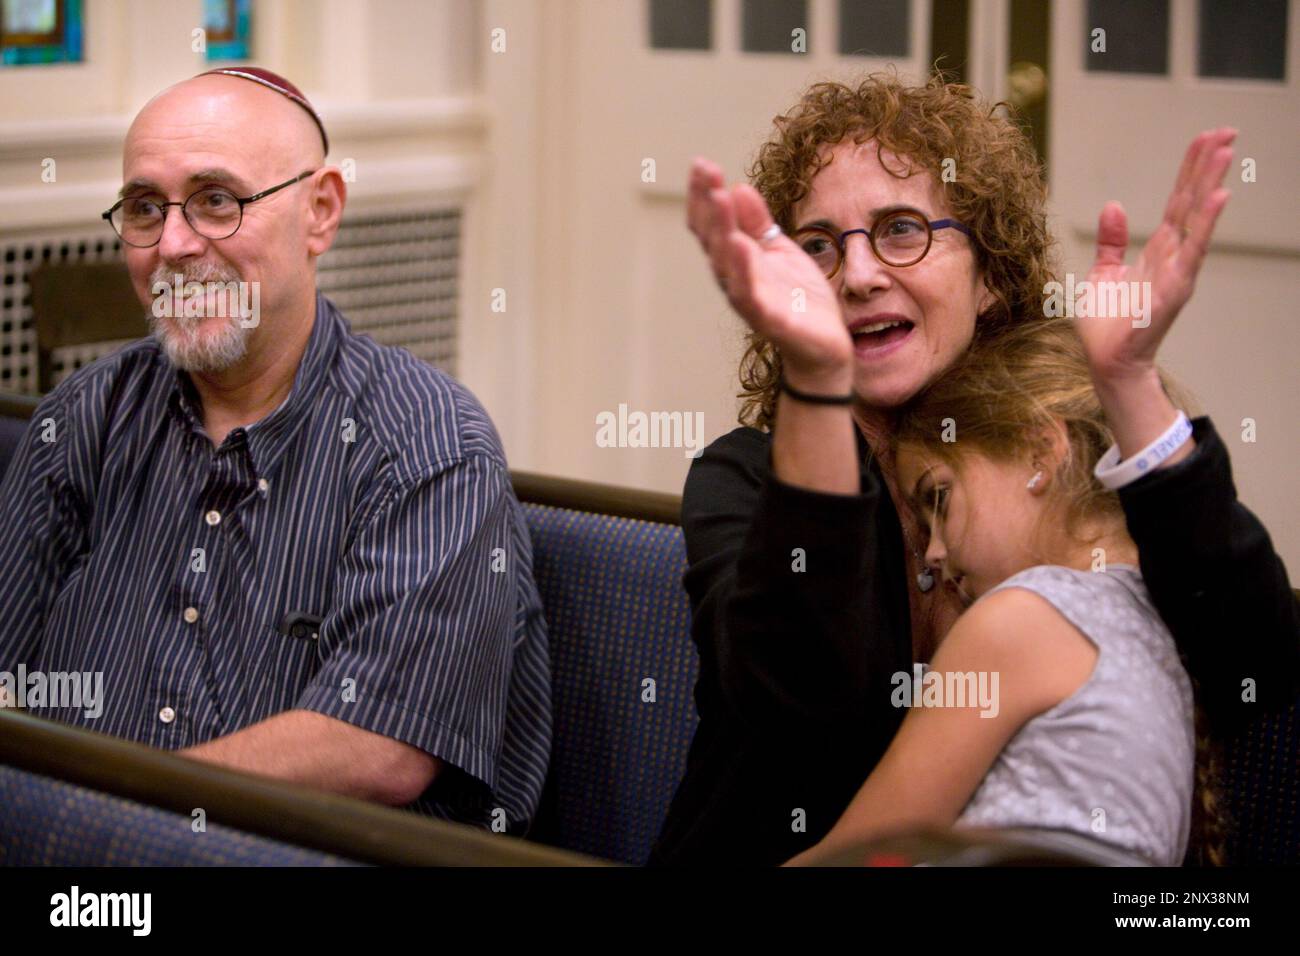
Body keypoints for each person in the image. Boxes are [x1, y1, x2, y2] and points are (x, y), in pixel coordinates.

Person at [649, 72, 1298, 866]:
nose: (856, 276)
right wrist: (814, 383)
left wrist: (1128, 385)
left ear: (989, 275)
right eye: (819, 245)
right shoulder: (747, 478)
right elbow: (796, 712)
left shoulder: (1051, 462)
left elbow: (1251, 662)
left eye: (901, 230)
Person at [0, 68, 551, 834]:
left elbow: (379, 750)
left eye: (217, 201)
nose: (174, 245)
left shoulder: (426, 442)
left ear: (319, 212)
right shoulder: (83, 420)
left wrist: (105, 821)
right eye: (144, 207)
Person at [786, 318, 1212, 867]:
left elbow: (854, 859)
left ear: (1040, 453)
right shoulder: (1155, 618)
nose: (934, 553)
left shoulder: (1025, 618)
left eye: (939, 498)